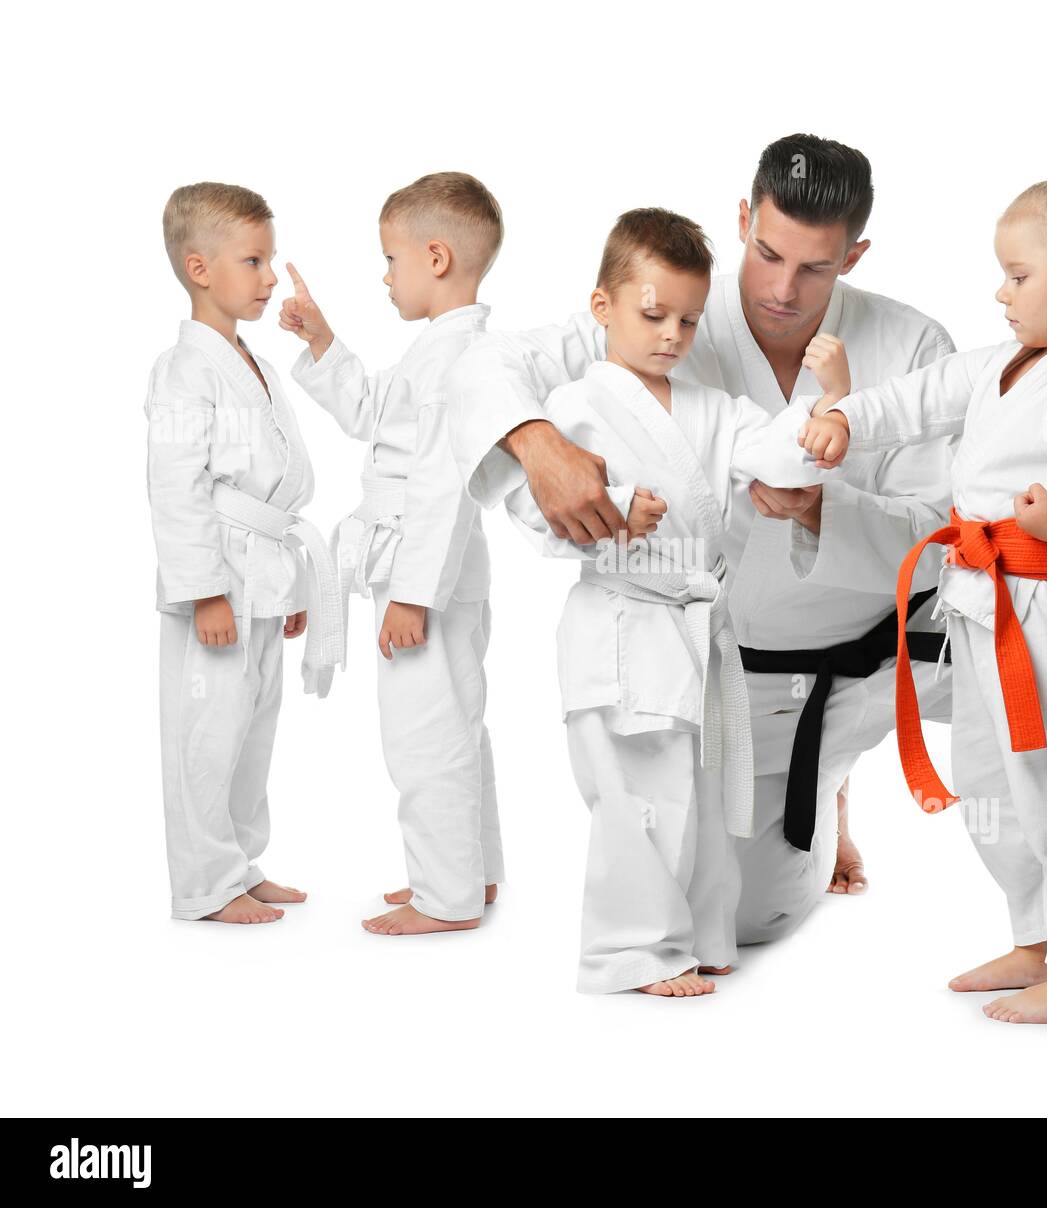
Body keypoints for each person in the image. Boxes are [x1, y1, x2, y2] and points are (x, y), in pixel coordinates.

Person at [446, 134, 957, 944]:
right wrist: (534, 439)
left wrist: (821, 511)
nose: (784, 289)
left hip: (864, 660)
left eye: (816, 267)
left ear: (854, 255)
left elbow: (942, 539)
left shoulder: (914, 347)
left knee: (1036, 648)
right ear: (744, 217)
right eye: (766, 252)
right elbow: (485, 364)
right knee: (741, 916)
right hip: (733, 670)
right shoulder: (670, 307)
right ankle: (816, 791)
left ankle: (844, 769)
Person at [800, 153, 1047, 1023]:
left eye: (1017, 275)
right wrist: (843, 417)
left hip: (1042, 608)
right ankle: (1040, 936)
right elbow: (913, 400)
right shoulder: (1002, 362)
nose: (1000, 293)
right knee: (990, 780)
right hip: (977, 594)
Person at [501, 209, 845, 994]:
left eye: (689, 320)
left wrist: (829, 411)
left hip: (697, 626)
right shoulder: (574, 409)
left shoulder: (708, 409)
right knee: (636, 799)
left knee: (700, 787)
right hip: (622, 621)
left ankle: (700, 933)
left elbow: (775, 447)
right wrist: (614, 506)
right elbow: (532, 508)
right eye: (653, 315)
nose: (672, 335)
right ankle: (632, 952)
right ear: (602, 307)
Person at [281, 173, 506, 935]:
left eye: (391, 259)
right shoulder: (442, 351)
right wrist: (322, 340)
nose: (385, 276)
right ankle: (470, 877)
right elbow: (378, 413)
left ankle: (446, 898)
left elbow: (443, 486)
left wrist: (412, 595)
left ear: (436, 257)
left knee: (426, 737)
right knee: (456, 725)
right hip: (432, 571)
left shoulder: (456, 361)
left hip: (426, 578)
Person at [146, 182, 342, 924]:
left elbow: (272, 481)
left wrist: (289, 588)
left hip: (260, 569)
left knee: (253, 728)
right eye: (254, 261)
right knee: (207, 729)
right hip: (218, 579)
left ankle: (240, 861)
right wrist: (203, 591)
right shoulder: (184, 369)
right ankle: (204, 883)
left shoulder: (247, 360)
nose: (269, 278)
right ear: (201, 269)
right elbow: (175, 487)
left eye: (270, 261)